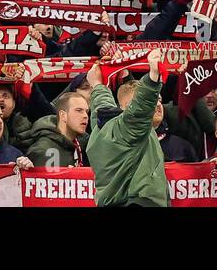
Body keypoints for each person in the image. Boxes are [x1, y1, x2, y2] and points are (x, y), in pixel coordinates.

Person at [87, 51, 171, 206]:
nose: (157, 104)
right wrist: (153, 78)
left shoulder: (102, 126)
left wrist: (98, 84)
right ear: (127, 108)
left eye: (159, 99)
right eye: (154, 99)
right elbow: (141, 108)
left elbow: (101, 105)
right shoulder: (129, 129)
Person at [27, 90, 91, 167]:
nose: (85, 116)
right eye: (79, 111)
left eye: (86, 111)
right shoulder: (44, 151)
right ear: (63, 115)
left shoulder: (84, 145)